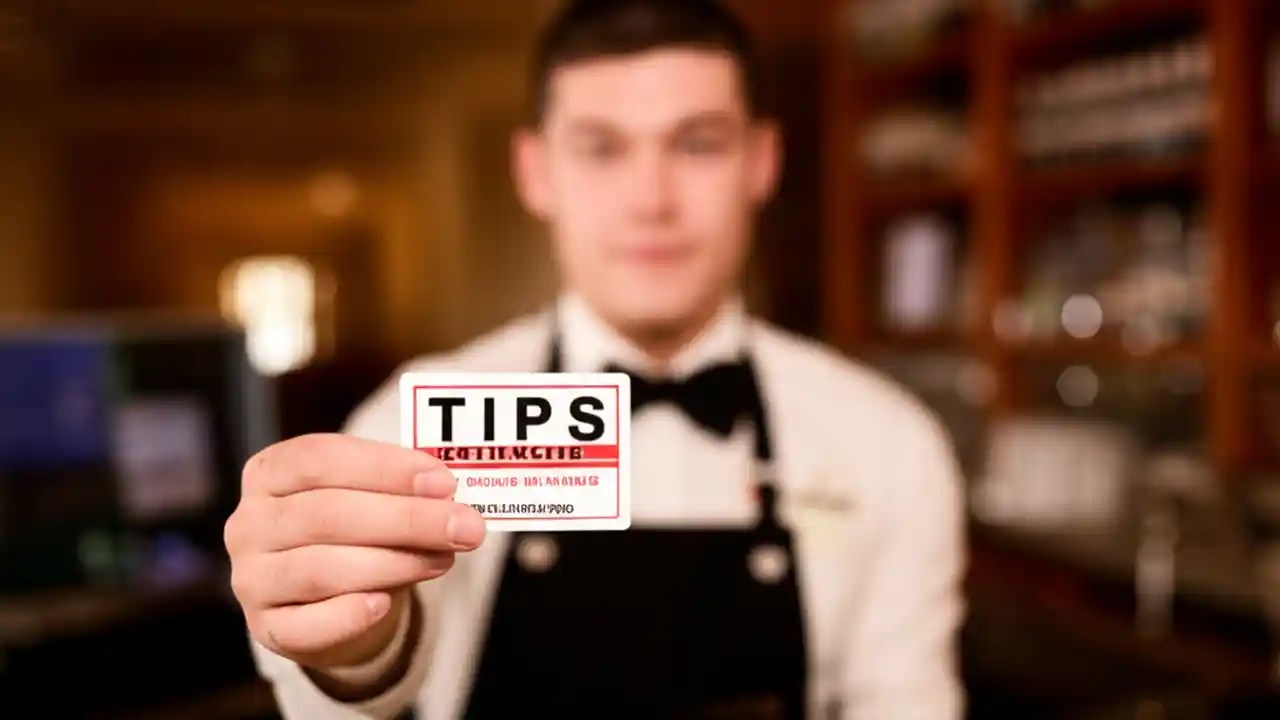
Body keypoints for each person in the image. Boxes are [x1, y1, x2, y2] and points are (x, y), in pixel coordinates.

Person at [224, 1, 968, 718]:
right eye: (601, 148)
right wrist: (352, 633)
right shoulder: (411, 422)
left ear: (762, 162)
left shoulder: (889, 445)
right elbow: (359, 698)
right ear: (536, 172)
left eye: (698, 143)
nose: (651, 198)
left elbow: (904, 703)